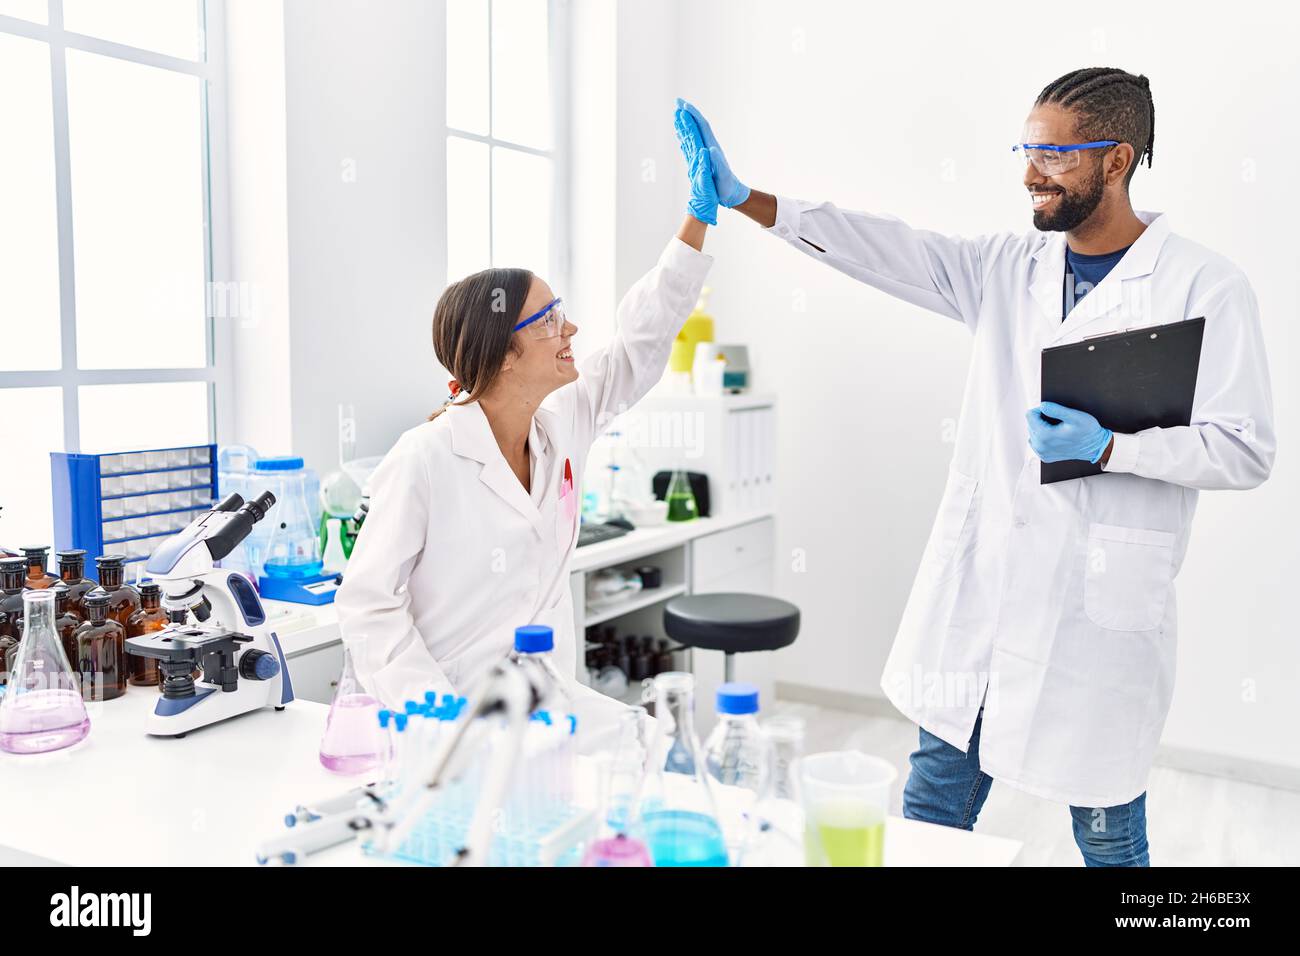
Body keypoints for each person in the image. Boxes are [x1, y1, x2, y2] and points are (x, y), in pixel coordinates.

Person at [680, 67, 1275, 866]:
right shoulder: (1006, 269)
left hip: (1096, 622)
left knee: (1106, 834)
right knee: (927, 816)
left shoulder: (1206, 286)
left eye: (1055, 156)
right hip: (981, 604)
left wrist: (1109, 448)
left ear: (1117, 161)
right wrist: (751, 200)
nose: (1030, 173)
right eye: (1026, 150)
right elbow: (885, 249)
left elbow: (1245, 449)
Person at [335, 110, 719, 742]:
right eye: (548, 321)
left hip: (546, 700)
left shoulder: (561, 419)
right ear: (501, 353)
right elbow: (368, 604)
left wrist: (697, 218)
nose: (570, 329)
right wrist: (437, 714)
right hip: (455, 717)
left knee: (645, 744)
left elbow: (640, 342)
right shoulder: (426, 458)